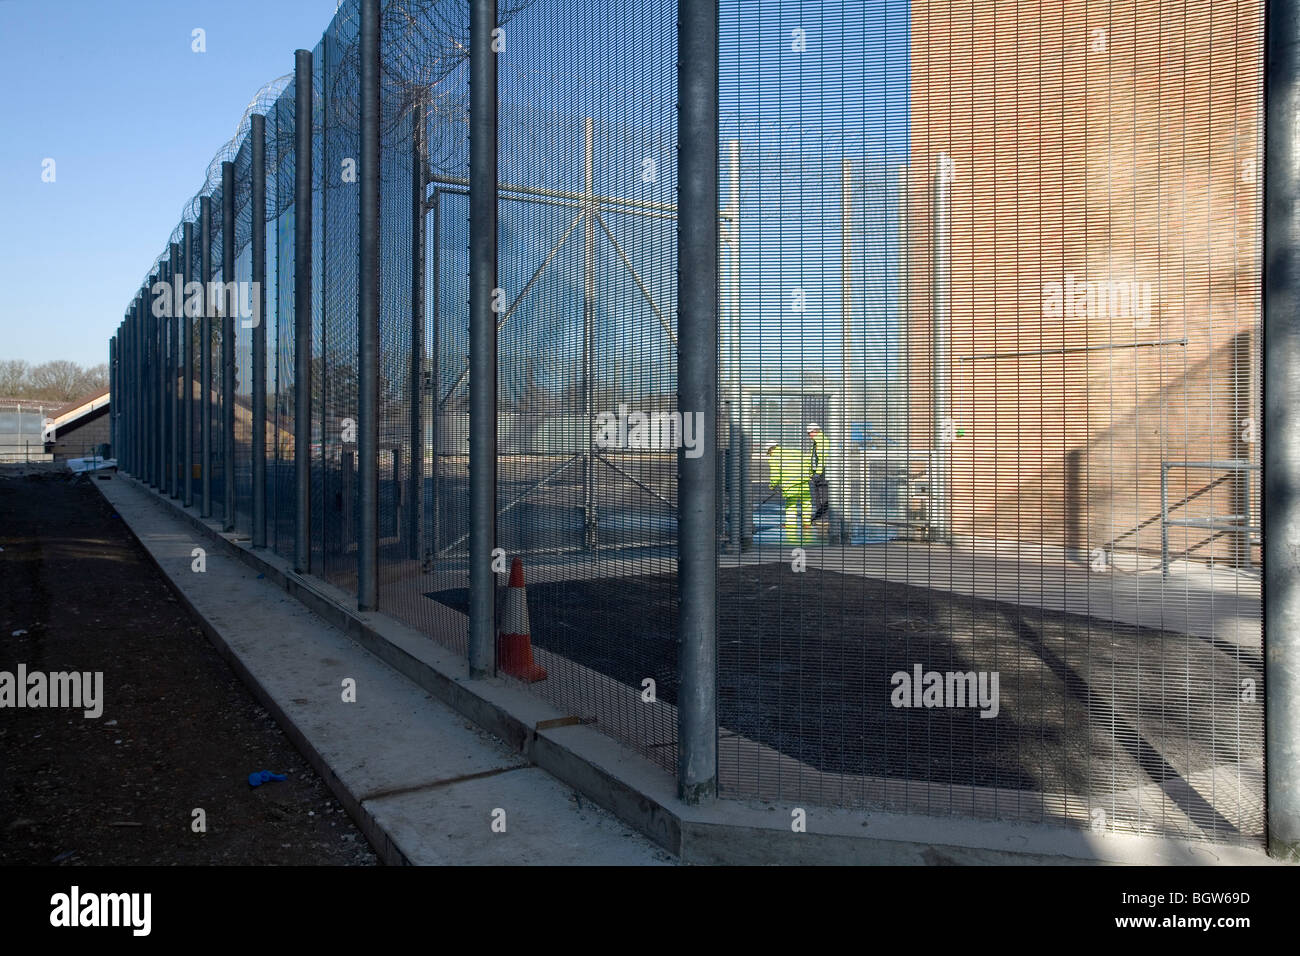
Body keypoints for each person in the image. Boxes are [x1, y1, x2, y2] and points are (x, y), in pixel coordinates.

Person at [766, 440, 812, 528]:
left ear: (770, 450)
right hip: (803, 481)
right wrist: (808, 473)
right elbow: (807, 461)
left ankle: (791, 524)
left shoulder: (774, 458)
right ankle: (807, 523)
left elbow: (775, 474)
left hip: (790, 484)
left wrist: (772, 485)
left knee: (791, 504)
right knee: (806, 502)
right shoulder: (794, 451)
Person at [806, 423, 829, 519]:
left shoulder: (821, 441)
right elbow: (813, 458)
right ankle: (820, 515)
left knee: (823, 495)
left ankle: (824, 516)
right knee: (818, 495)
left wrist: (818, 473)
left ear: (815, 431)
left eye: (809, 433)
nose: (808, 435)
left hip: (822, 472)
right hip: (818, 472)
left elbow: (822, 459)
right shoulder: (816, 442)